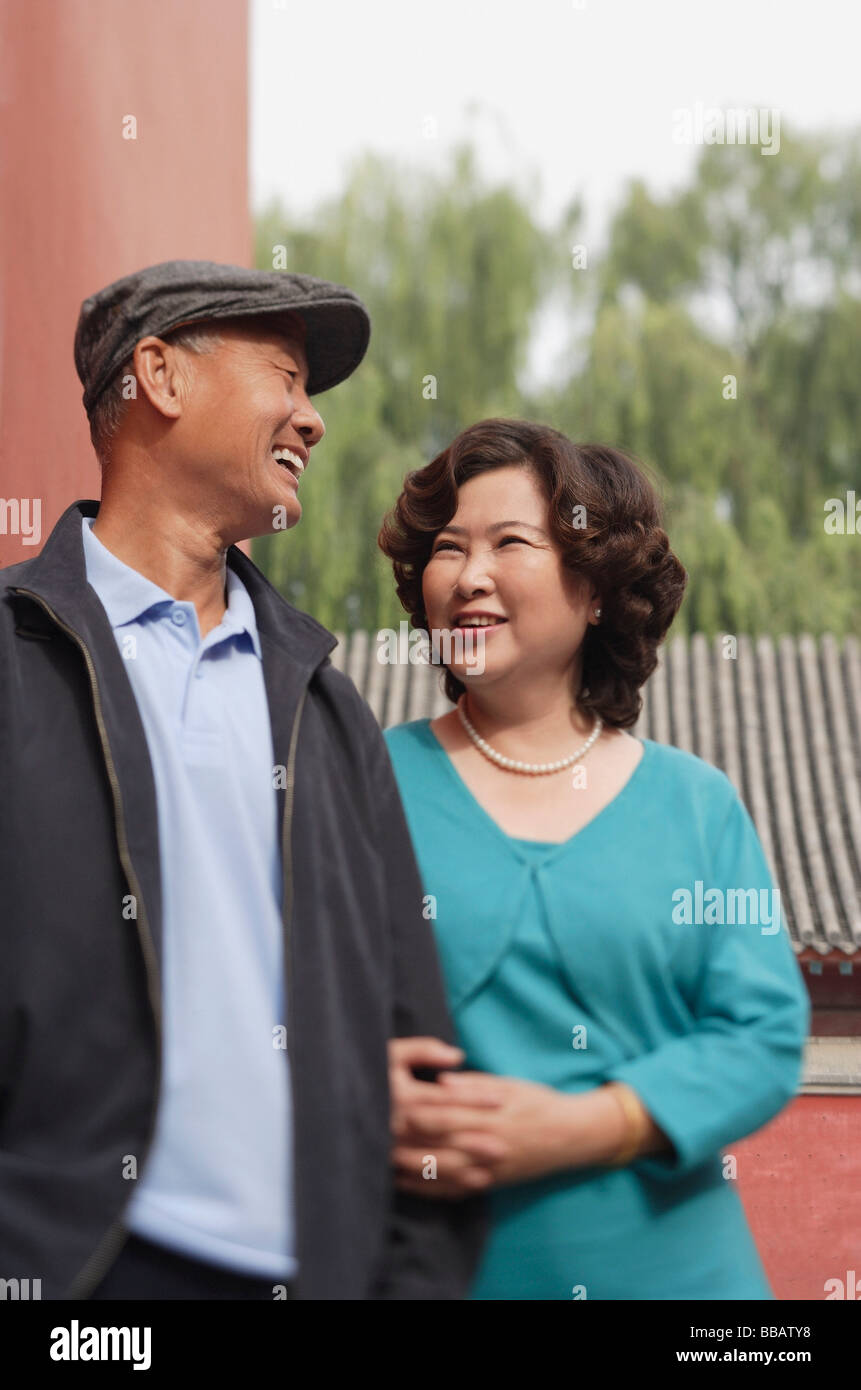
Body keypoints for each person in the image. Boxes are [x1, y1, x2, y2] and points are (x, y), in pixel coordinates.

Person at [0, 259, 485, 1300]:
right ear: (161, 377)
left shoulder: (328, 711)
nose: (311, 421)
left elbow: (420, 1060)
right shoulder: (13, 660)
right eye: (286, 377)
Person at [378, 417, 810, 1300]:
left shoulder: (695, 806)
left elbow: (762, 1037)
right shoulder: (360, 780)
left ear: (598, 590)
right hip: (429, 1272)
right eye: (448, 549)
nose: (469, 577)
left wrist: (587, 1125)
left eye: (509, 543)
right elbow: (266, 1000)